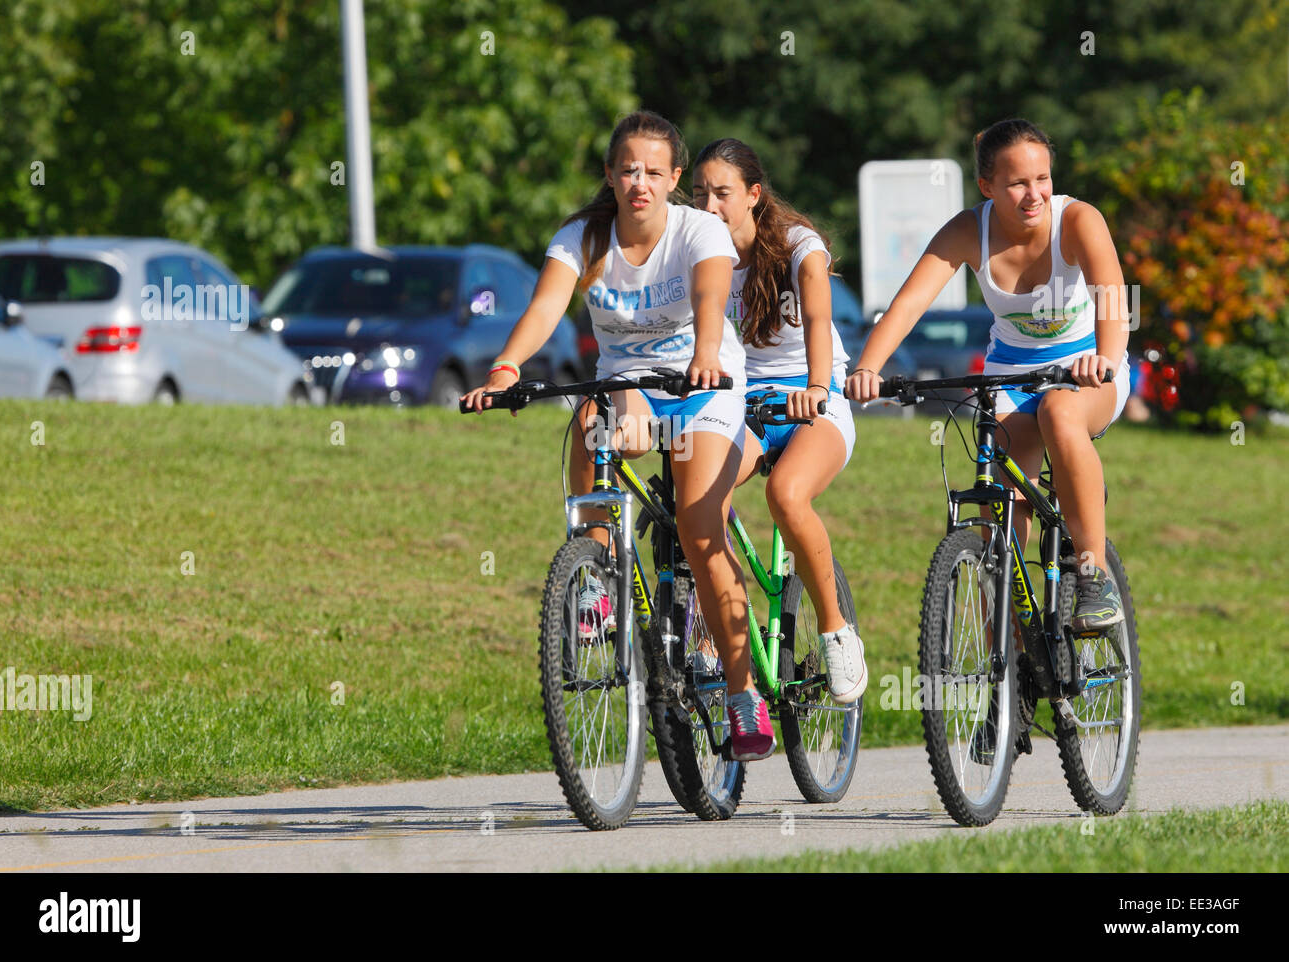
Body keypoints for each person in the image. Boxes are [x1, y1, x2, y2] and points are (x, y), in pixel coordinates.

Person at [461, 110, 775, 760]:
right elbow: (546, 306)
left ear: (673, 178)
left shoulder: (698, 231)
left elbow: (712, 299)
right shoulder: (583, 237)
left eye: (653, 171)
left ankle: (744, 693)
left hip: (702, 385)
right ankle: (598, 576)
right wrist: (506, 368)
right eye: (627, 169)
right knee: (588, 422)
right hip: (627, 384)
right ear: (609, 175)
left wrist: (707, 353)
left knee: (697, 526)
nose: (639, 181)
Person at [846, 118, 1130, 632]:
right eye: (1018, 183)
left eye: (1042, 179)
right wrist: (868, 366)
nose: (1033, 194)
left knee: (1060, 410)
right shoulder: (967, 230)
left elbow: (1112, 294)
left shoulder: (1079, 220)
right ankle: (1014, 660)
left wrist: (1105, 358)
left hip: (1086, 367)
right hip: (1011, 375)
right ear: (987, 187)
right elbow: (909, 305)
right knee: (1002, 514)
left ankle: (1093, 574)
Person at [691, 138, 866, 703]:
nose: (709, 207)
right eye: (698, 195)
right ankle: (717, 639)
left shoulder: (797, 246)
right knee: (700, 504)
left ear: (754, 195)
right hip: (744, 405)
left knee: (787, 496)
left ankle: (836, 632)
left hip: (814, 399)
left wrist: (815, 387)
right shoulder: (698, 252)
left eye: (722, 193)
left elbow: (818, 320)